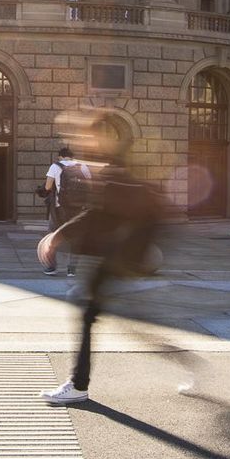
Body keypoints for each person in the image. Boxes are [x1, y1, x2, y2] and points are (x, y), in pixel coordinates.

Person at [37, 112, 162, 405]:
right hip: (111, 256)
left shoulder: (115, 170)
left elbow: (100, 213)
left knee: (93, 315)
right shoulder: (107, 167)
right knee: (114, 317)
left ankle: (79, 385)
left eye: (84, 136)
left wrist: (58, 236)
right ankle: (186, 362)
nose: (80, 142)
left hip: (112, 257)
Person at [41, 146, 90, 276]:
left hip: (59, 208)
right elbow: (89, 185)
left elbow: (47, 186)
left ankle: (51, 268)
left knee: (52, 237)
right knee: (76, 238)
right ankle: (71, 269)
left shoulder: (55, 166)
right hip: (78, 208)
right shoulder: (82, 166)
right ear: (72, 156)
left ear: (60, 156)